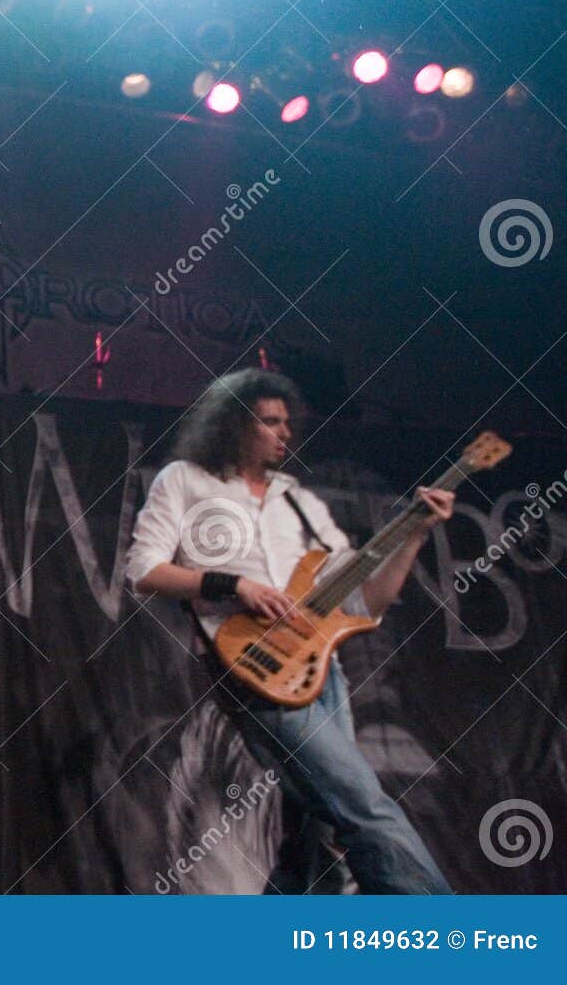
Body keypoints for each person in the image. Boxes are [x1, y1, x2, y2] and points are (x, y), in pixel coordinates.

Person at [126, 368, 455, 894]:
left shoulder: (296, 498)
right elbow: (144, 571)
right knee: (361, 802)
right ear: (233, 424)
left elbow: (367, 598)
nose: (284, 433)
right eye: (269, 422)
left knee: (318, 822)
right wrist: (235, 585)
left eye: (287, 422)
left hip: (324, 671)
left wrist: (414, 534)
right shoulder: (186, 480)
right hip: (253, 664)